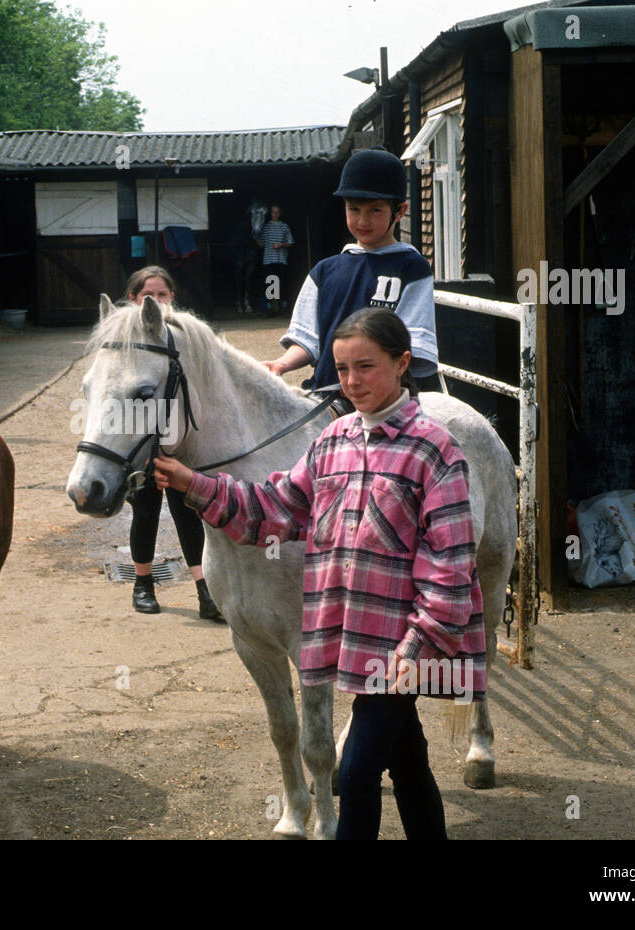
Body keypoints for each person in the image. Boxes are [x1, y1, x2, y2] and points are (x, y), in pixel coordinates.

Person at [152, 308, 485, 840]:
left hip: (402, 648)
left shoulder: (434, 450)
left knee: (353, 773)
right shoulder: (332, 441)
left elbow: (451, 565)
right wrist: (196, 484)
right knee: (407, 761)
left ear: (403, 364)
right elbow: (275, 508)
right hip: (355, 639)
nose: (352, 383)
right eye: (343, 369)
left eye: (367, 367)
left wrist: (417, 647)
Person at [264, 148, 437, 409]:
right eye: (354, 209)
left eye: (375, 210)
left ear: (399, 211)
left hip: (384, 404)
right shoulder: (323, 271)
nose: (362, 220)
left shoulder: (412, 268)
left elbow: (413, 349)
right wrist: (282, 364)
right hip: (325, 397)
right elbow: (307, 339)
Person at [119, 266, 222, 622]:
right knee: (145, 512)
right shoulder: (124, 345)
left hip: (181, 439)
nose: (157, 302)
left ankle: (205, 590)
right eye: (148, 296)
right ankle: (142, 584)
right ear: (132, 300)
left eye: (163, 295)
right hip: (142, 441)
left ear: (172, 298)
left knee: (188, 512)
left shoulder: (186, 339)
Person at [255, 203, 294, 316]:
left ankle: (282, 308)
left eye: (277, 212)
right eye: (273, 212)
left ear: (280, 213)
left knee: (281, 283)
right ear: (270, 213)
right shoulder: (265, 227)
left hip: (281, 259)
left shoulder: (284, 226)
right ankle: (271, 308)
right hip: (268, 260)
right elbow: (261, 244)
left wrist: (281, 245)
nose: (275, 214)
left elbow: (290, 242)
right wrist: (255, 238)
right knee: (270, 283)